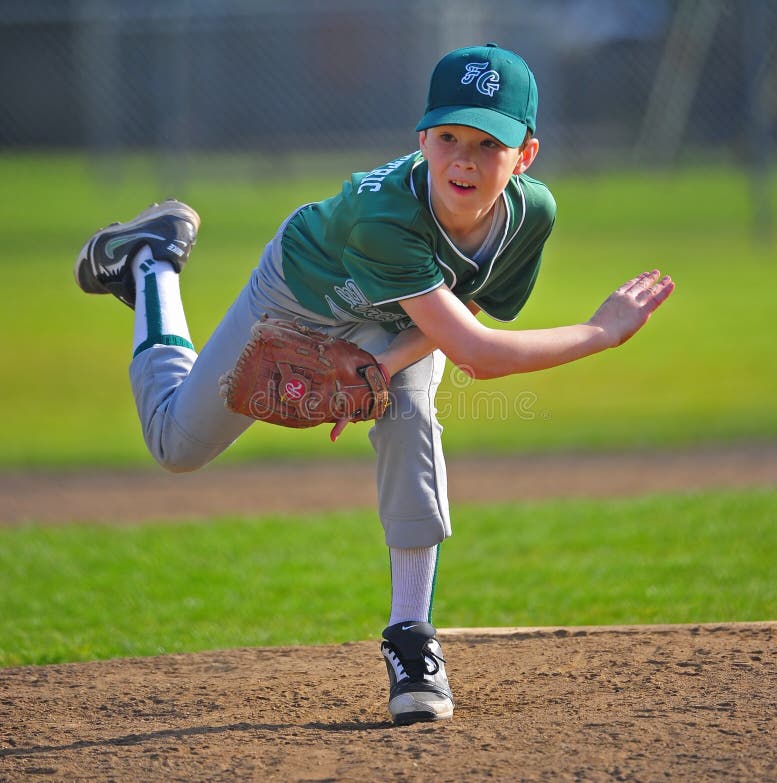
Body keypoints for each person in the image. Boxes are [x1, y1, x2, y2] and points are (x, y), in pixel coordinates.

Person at [74, 43, 674, 726]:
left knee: (411, 416)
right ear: (422, 137)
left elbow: (468, 299)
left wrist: (385, 365)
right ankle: (153, 264)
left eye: (488, 143)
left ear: (526, 155)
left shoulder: (530, 214)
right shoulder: (386, 215)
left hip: (407, 315)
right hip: (302, 292)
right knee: (175, 443)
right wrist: (601, 331)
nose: (463, 160)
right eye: (447, 137)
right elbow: (478, 353)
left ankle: (412, 640)